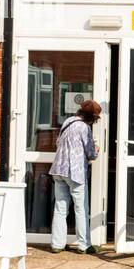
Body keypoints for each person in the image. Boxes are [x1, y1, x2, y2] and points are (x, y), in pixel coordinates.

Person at [50, 99, 101, 255]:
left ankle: (57, 244)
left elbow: (58, 142)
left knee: (60, 208)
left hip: (59, 169)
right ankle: (84, 245)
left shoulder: (68, 121)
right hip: (75, 172)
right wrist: (96, 149)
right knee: (81, 209)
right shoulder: (84, 128)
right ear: (91, 117)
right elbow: (91, 153)